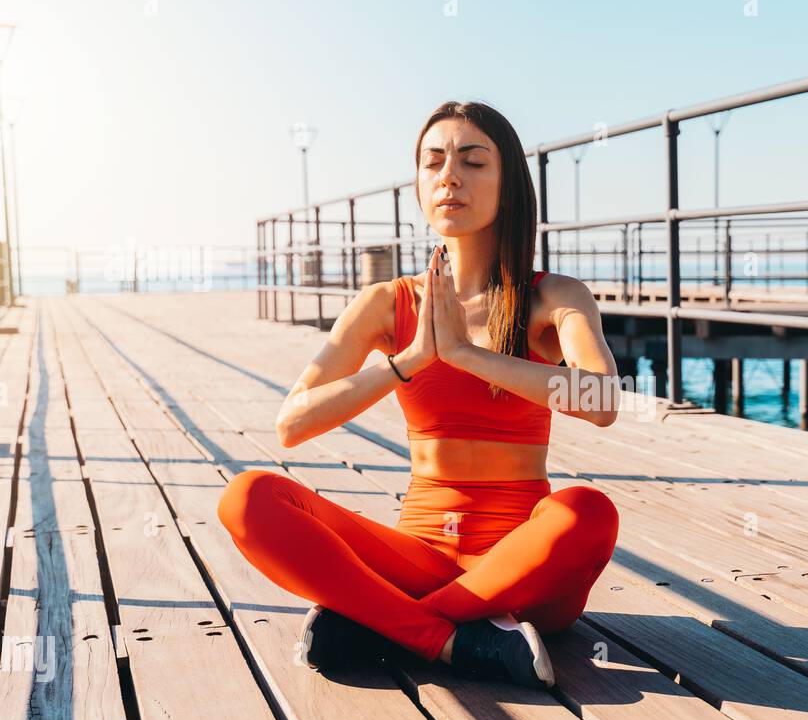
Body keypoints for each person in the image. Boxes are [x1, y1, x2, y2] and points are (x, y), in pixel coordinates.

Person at [217, 101, 621, 689]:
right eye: (433, 163)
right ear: (419, 186)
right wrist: (405, 364)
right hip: (417, 559)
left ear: (508, 185)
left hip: (525, 568)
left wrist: (466, 354)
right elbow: (292, 424)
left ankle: (382, 624)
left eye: (473, 161)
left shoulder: (552, 297)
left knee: (588, 513)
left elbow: (603, 400)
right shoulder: (388, 303)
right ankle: (451, 639)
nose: (449, 176)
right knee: (248, 497)